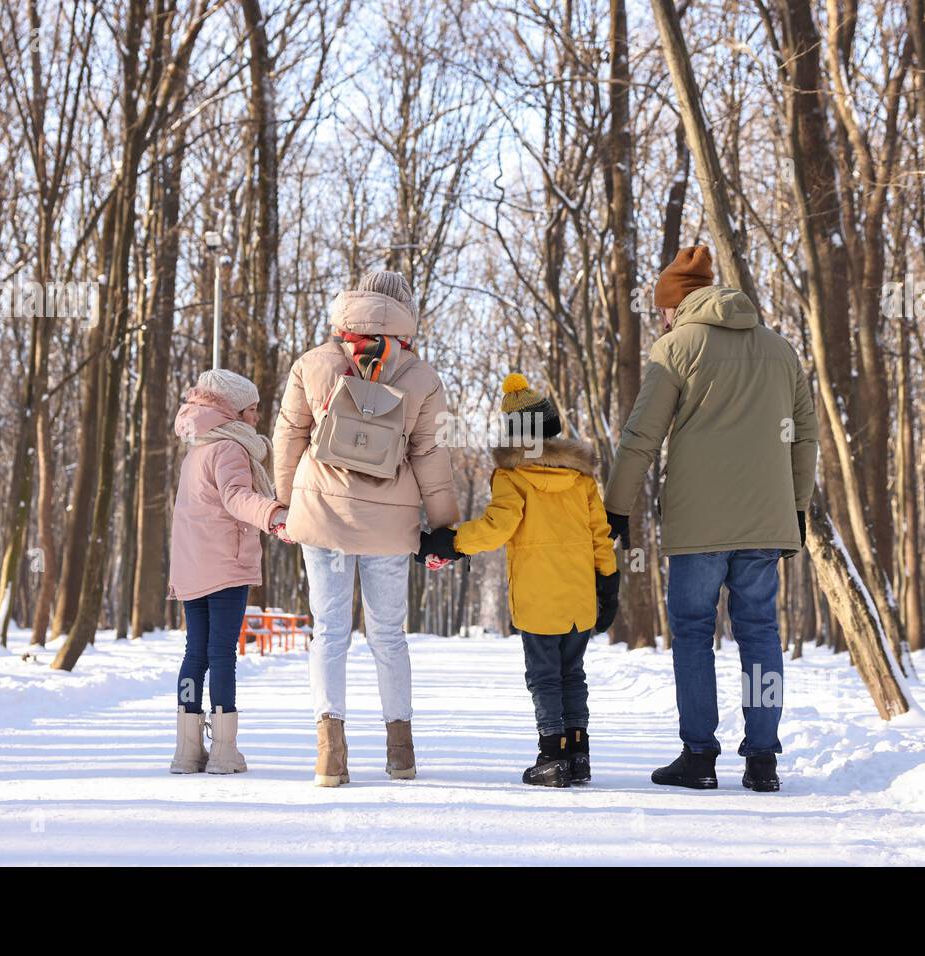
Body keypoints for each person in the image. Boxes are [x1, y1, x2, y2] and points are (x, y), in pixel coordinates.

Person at [603, 245, 818, 792]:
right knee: (760, 634)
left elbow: (640, 436)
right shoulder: (781, 349)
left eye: (663, 310)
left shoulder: (675, 348)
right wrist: (795, 507)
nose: (662, 318)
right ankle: (763, 759)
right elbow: (805, 436)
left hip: (698, 527)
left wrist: (616, 509)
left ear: (678, 305)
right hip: (767, 522)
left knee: (695, 635)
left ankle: (699, 757)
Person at [272, 270, 458, 787]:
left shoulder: (314, 363)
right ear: (404, 312)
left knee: (328, 633)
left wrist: (285, 505)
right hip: (389, 524)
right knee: (388, 636)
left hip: (322, 518)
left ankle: (330, 755)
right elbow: (430, 454)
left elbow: (289, 437)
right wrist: (444, 528)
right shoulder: (421, 376)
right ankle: (401, 753)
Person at [420, 374, 619, 788]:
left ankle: (552, 755)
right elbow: (601, 536)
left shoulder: (512, 477)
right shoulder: (582, 480)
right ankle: (578, 752)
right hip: (581, 598)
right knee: (572, 674)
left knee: (544, 676)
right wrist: (609, 582)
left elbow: (497, 527)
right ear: (551, 428)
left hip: (536, 600)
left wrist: (453, 542)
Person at [168, 369, 282, 775]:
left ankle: (186, 750)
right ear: (231, 411)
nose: (256, 418)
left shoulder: (196, 450)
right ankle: (223, 751)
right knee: (221, 654)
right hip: (226, 566)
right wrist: (273, 515)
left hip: (191, 566)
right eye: (251, 411)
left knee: (195, 652)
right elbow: (238, 499)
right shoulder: (230, 449)